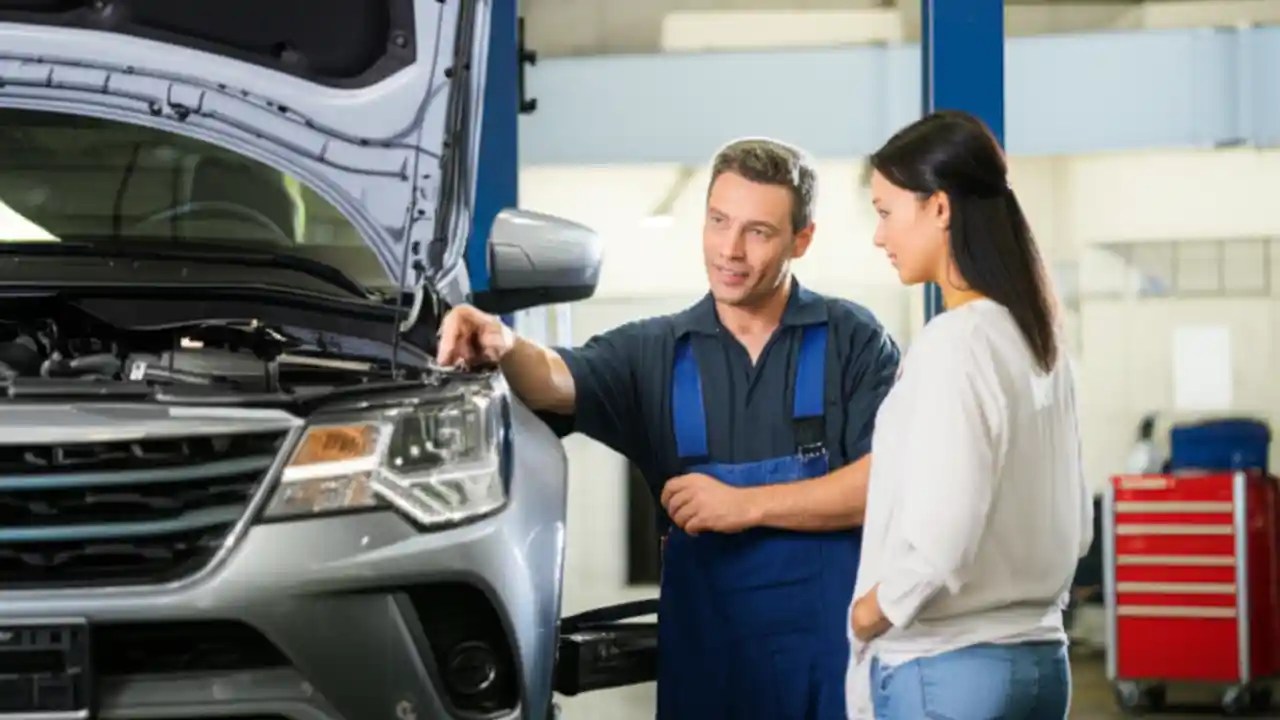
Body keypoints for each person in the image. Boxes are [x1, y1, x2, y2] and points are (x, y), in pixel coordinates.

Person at [437, 138, 900, 719]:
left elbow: (882, 485)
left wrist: (743, 506)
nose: (729, 250)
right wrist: (500, 341)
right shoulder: (655, 351)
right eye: (718, 221)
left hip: (832, 678)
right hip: (708, 679)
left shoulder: (852, 340)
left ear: (801, 240)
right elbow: (555, 378)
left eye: (758, 231)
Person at [845, 111, 1093, 719]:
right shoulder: (1042, 341)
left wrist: (871, 610)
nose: (879, 236)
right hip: (1039, 664)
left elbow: (942, 537)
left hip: (946, 670)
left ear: (939, 208)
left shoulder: (955, 342)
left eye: (884, 212)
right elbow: (1079, 525)